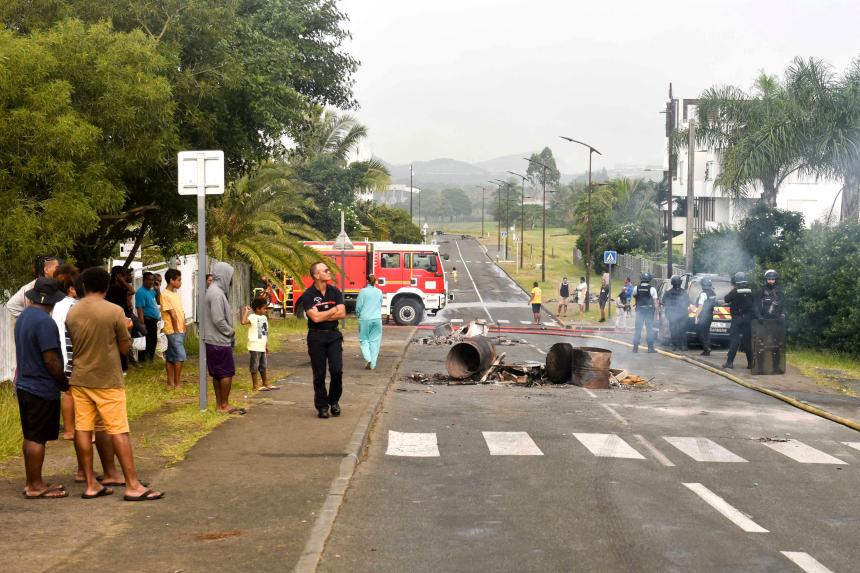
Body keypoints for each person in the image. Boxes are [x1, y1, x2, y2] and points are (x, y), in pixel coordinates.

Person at [66, 267, 162, 501]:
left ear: (84, 286)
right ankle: (132, 485)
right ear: (106, 286)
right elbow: (124, 347)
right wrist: (123, 332)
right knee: (118, 429)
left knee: (83, 428)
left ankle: (91, 483)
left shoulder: (73, 311)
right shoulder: (114, 311)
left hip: (80, 378)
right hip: (107, 379)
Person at [14, 277, 69, 498]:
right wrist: (63, 382)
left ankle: (33, 482)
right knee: (37, 438)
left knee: (31, 436)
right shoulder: (45, 322)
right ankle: (35, 486)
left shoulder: (25, 316)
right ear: (54, 300)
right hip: (40, 386)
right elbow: (51, 359)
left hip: (24, 384)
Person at [297, 261, 346, 419]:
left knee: (337, 371)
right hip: (316, 337)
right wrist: (333, 309)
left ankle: (334, 401)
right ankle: (322, 406)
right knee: (319, 374)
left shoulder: (335, 291)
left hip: (334, 336)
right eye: (326, 270)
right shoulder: (308, 295)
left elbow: (342, 313)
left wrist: (323, 314)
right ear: (317, 275)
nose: (329, 272)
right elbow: (315, 319)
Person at [202, 262, 243, 414]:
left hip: (213, 340)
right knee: (226, 373)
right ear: (223, 275)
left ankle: (220, 405)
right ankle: (224, 405)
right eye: (230, 276)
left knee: (218, 374)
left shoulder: (213, 291)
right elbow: (218, 319)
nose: (231, 280)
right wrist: (230, 332)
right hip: (219, 340)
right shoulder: (217, 294)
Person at [51, 265, 79, 440]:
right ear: (71, 288)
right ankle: (82, 429)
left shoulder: (54, 304)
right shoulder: (74, 305)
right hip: (72, 353)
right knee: (78, 393)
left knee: (67, 392)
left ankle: (69, 430)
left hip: (58, 354)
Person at [106, 266, 139, 372]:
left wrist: (121, 281)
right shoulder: (110, 288)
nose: (125, 278)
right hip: (114, 318)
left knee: (125, 341)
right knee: (117, 342)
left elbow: (132, 291)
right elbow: (131, 290)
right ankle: (119, 366)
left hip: (124, 317)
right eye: (123, 276)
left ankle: (124, 366)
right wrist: (120, 280)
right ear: (118, 276)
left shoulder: (122, 288)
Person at [241, 298, 276, 391]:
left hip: (262, 345)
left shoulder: (264, 318)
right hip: (254, 346)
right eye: (264, 308)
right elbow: (243, 322)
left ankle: (265, 383)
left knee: (263, 365)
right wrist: (246, 312)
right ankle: (255, 385)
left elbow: (265, 333)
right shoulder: (252, 317)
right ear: (257, 309)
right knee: (254, 365)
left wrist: (266, 345)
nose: (266, 310)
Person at [160, 269, 186, 389]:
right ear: (171, 280)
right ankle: (177, 383)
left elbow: (180, 311)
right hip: (173, 330)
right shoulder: (165, 294)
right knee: (180, 355)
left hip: (179, 329)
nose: (180, 282)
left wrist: (183, 325)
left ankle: (170, 383)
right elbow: (172, 314)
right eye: (179, 280)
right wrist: (176, 329)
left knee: (171, 356)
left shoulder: (174, 294)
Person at [724, 272, 755, 369]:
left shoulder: (734, 291)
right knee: (747, 342)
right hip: (748, 319)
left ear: (736, 281)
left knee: (734, 341)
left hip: (737, 319)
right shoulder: (751, 291)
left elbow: (726, 299)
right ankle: (751, 364)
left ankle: (729, 363)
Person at [356, 275, 384, 370]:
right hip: (377, 319)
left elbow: (359, 306)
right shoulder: (379, 291)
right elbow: (380, 303)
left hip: (365, 319)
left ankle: (368, 359)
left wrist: (358, 315)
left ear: (367, 281)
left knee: (364, 339)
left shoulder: (363, 292)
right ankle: (373, 364)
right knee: (375, 341)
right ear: (375, 282)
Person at [135, 272, 160, 362]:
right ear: (144, 280)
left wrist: (158, 290)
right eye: (149, 280)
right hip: (147, 320)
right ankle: (144, 360)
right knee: (147, 342)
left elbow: (159, 302)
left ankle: (150, 359)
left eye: (152, 280)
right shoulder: (141, 292)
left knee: (153, 341)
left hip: (153, 321)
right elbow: (140, 309)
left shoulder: (151, 291)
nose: (151, 282)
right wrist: (142, 324)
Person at [631, 272, 659, 353]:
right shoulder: (652, 289)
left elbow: (635, 296)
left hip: (640, 311)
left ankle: (635, 348)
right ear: (649, 280)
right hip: (649, 312)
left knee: (638, 330)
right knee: (649, 330)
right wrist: (657, 314)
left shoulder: (636, 288)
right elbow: (656, 304)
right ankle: (650, 348)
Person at [662, 275, 691, 351]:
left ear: (672, 283)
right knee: (682, 330)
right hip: (683, 315)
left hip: (672, 315)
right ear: (680, 283)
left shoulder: (668, 293)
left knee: (673, 330)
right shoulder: (684, 292)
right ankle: (683, 346)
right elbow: (688, 303)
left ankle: (675, 346)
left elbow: (664, 302)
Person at [695, 277, 718, 356]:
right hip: (710, 315)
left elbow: (700, 307)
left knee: (700, 333)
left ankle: (706, 348)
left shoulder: (703, 294)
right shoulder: (713, 293)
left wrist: (696, 317)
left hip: (703, 316)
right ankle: (707, 349)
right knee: (707, 332)